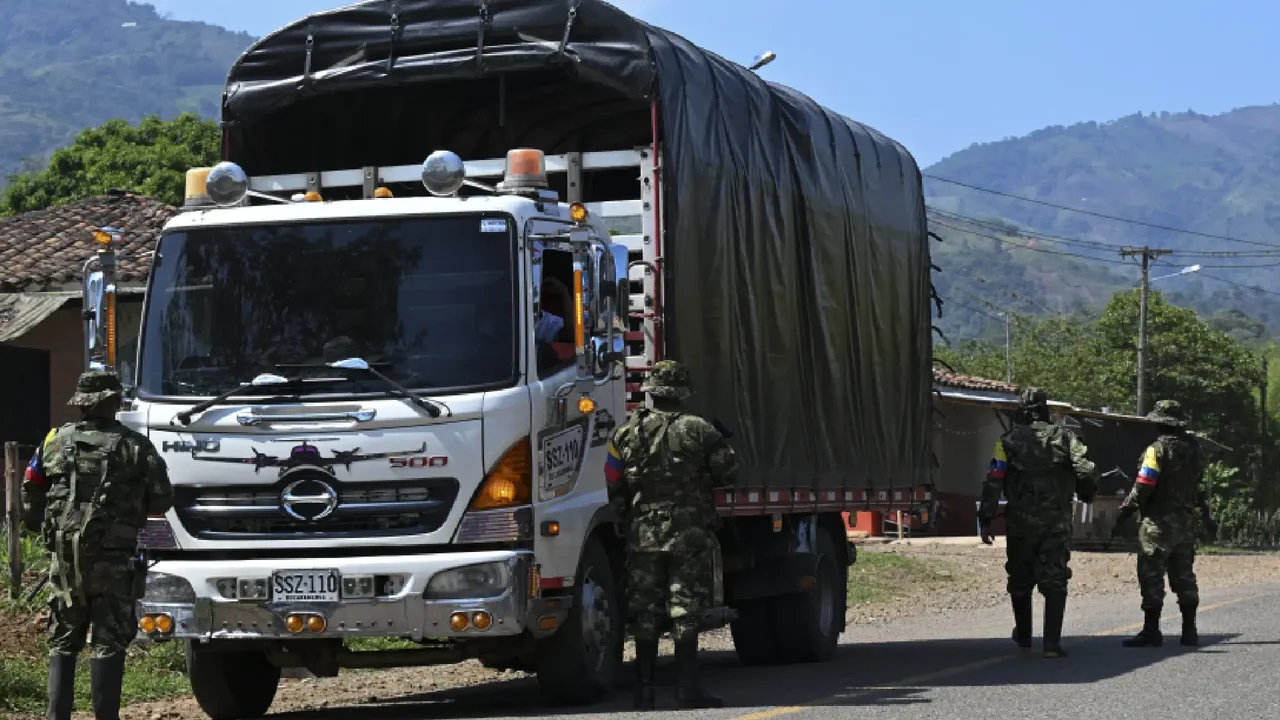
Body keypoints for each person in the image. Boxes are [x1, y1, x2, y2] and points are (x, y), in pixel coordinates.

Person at [21, 370, 174, 720]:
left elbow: (31, 489)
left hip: (66, 561)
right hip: (114, 562)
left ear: (83, 404)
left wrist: (46, 529)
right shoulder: (135, 446)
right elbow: (163, 499)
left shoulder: (53, 441)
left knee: (63, 641)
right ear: (114, 401)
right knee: (108, 642)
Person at [604, 360, 738, 710]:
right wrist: (725, 442)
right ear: (681, 394)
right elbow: (728, 473)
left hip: (643, 532)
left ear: (651, 391)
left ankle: (644, 691)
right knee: (686, 609)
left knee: (644, 610)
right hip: (687, 532)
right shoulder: (698, 430)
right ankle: (687, 688)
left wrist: (626, 519)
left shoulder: (624, 433)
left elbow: (612, 481)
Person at [977, 387, 1099, 659]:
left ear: (1022, 410)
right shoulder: (1066, 437)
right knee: (1054, 578)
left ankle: (1023, 636)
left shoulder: (1006, 441)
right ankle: (1052, 645)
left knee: (1020, 578)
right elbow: (1086, 469)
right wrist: (1087, 493)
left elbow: (994, 479)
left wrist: (986, 518)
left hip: (1020, 521)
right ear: (1046, 409)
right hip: (1055, 521)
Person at [1118, 399, 1214, 648]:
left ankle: (1152, 630)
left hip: (1158, 523)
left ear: (1161, 422)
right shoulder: (1196, 450)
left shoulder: (1157, 449)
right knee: (1184, 575)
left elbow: (1145, 483)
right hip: (1185, 522)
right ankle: (1189, 630)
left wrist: (1128, 507)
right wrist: (1205, 516)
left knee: (1151, 575)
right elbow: (1202, 488)